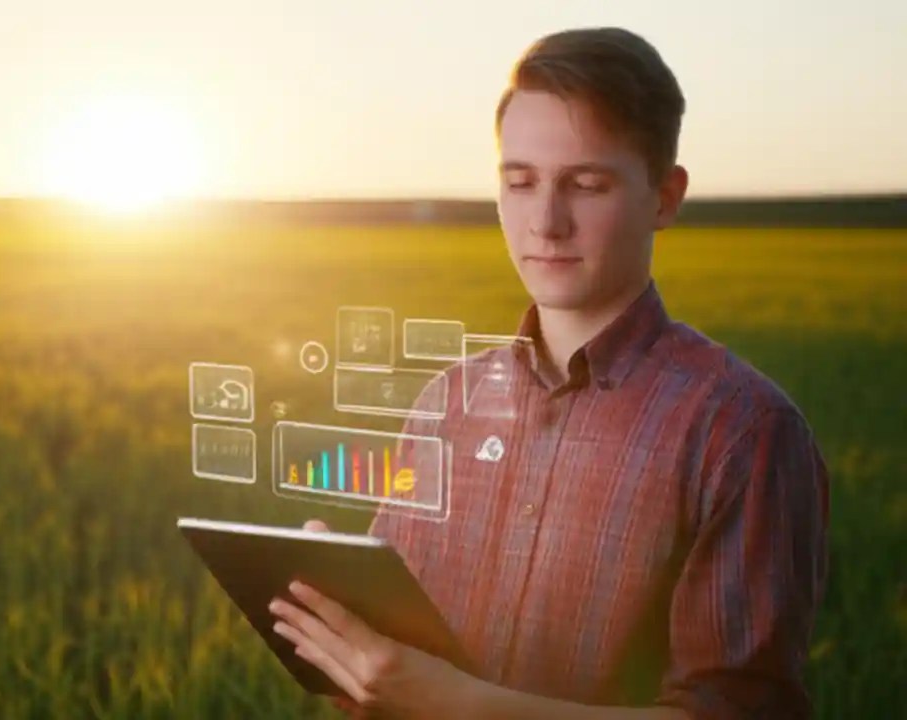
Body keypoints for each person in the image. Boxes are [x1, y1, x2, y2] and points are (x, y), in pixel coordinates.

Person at [268, 26, 829, 719]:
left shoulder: (742, 431)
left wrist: (459, 705)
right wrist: (345, 629)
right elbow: (394, 679)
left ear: (665, 197)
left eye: (586, 185)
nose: (545, 221)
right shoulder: (448, 402)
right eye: (520, 181)